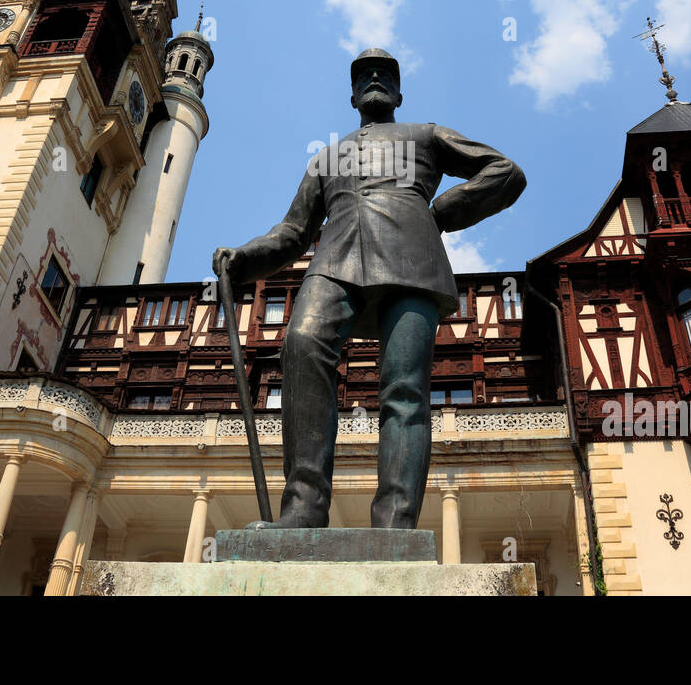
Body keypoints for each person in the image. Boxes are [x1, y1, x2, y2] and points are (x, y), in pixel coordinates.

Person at [213, 48, 525, 529]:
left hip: (413, 264)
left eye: (385, 74)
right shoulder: (327, 158)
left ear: (399, 93)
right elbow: (293, 232)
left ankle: (395, 523)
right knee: (300, 345)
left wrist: (439, 213)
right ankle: (302, 510)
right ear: (353, 95)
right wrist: (246, 257)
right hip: (334, 261)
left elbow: (504, 171)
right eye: (364, 76)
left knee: (404, 389)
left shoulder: (427, 134)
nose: (375, 79)